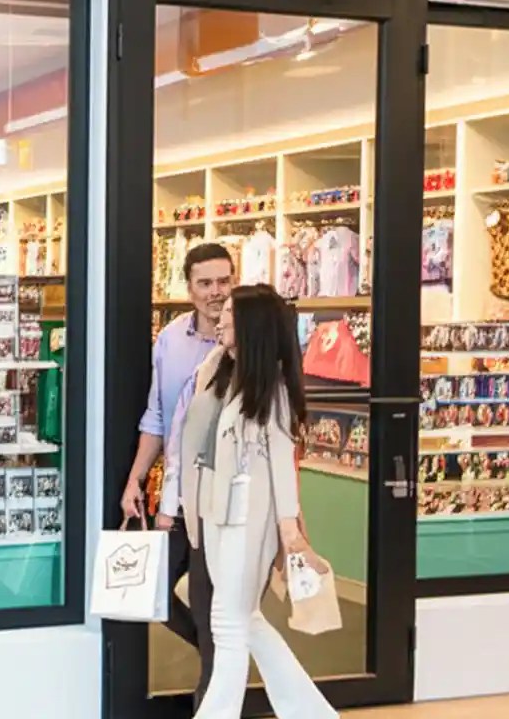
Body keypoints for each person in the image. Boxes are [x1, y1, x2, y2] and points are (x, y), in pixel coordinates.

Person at [170, 284, 335, 719]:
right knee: (247, 622)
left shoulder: (271, 393)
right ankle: (313, 713)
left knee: (227, 626)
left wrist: (290, 531)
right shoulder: (221, 374)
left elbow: (281, 465)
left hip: (248, 523)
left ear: (252, 327)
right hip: (217, 516)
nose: (220, 318)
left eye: (230, 312)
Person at [120, 242, 234, 707]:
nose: (215, 291)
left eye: (223, 281)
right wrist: (135, 479)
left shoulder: (246, 344)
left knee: (210, 610)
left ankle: (212, 699)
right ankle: (221, 657)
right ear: (189, 289)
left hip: (221, 504)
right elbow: (158, 416)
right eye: (205, 283)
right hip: (175, 499)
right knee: (150, 590)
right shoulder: (170, 339)